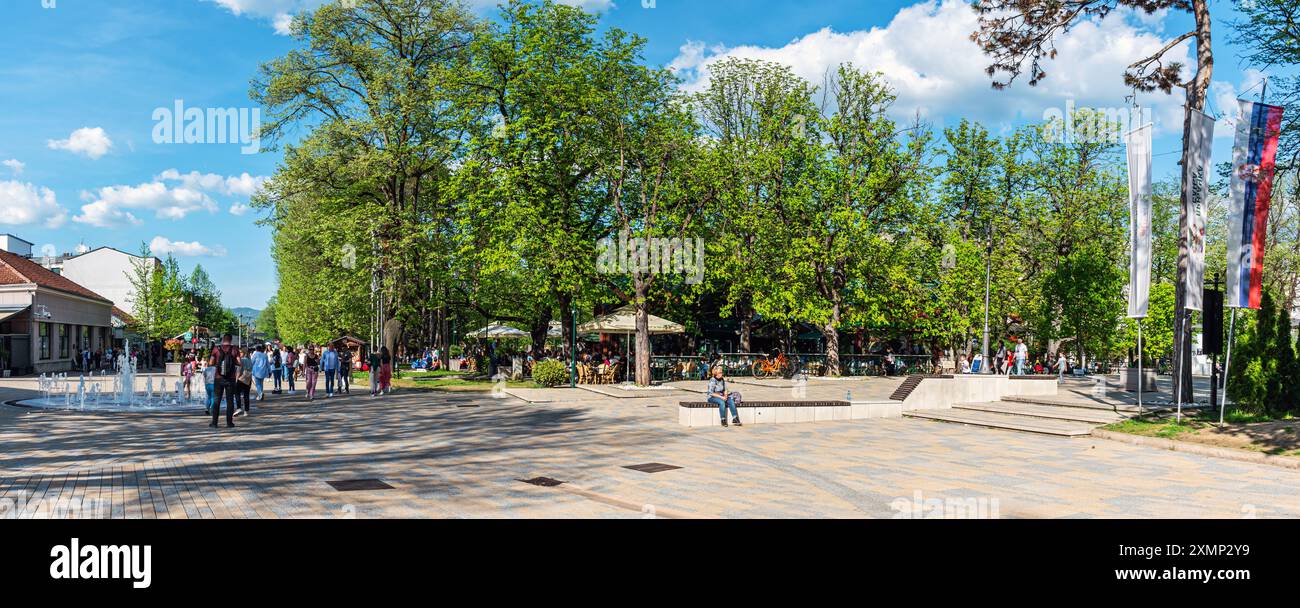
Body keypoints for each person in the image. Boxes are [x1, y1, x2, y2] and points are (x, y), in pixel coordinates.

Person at [207, 334, 241, 428]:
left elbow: (210, 363)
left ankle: (214, 423)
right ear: (230, 340)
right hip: (231, 379)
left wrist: (218, 364)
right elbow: (239, 363)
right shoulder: (234, 349)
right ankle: (229, 423)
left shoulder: (216, 349)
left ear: (222, 340)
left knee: (217, 400)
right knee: (230, 401)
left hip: (218, 378)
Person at [236, 347, 253, 417]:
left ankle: (239, 407)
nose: (239, 354)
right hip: (248, 379)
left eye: (241, 352)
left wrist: (236, 379)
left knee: (237, 393)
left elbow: (239, 370)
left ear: (244, 353)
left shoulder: (242, 360)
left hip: (241, 379)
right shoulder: (249, 360)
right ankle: (246, 411)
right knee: (246, 395)